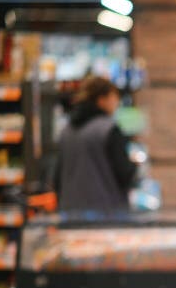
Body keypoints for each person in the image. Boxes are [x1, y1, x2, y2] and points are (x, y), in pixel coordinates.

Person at [57, 76, 137, 211]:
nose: (117, 103)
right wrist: (134, 164)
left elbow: (57, 177)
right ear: (101, 99)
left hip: (70, 213)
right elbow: (124, 173)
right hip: (106, 214)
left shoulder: (66, 131)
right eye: (114, 97)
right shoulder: (109, 129)